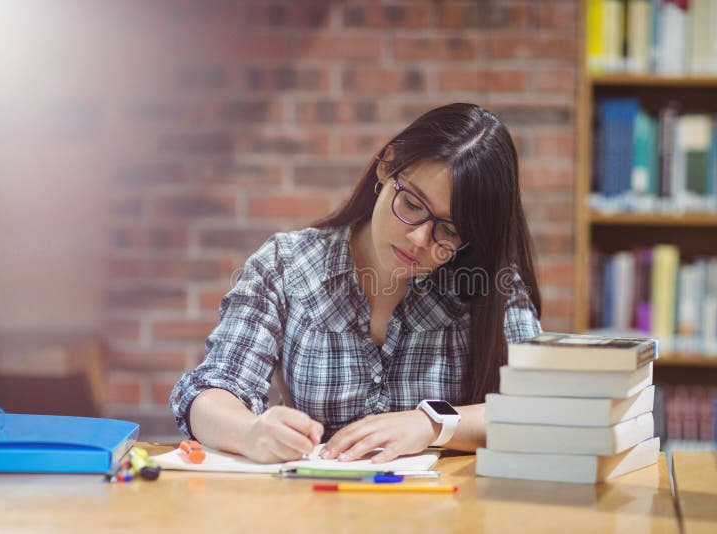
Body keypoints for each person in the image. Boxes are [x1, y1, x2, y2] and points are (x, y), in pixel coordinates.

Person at [170, 102, 542, 464]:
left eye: (449, 229)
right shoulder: (288, 265)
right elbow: (209, 391)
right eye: (412, 205)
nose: (419, 239)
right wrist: (251, 431)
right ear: (387, 166)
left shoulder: (489, 283)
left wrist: (433, 423)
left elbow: (540, 408)